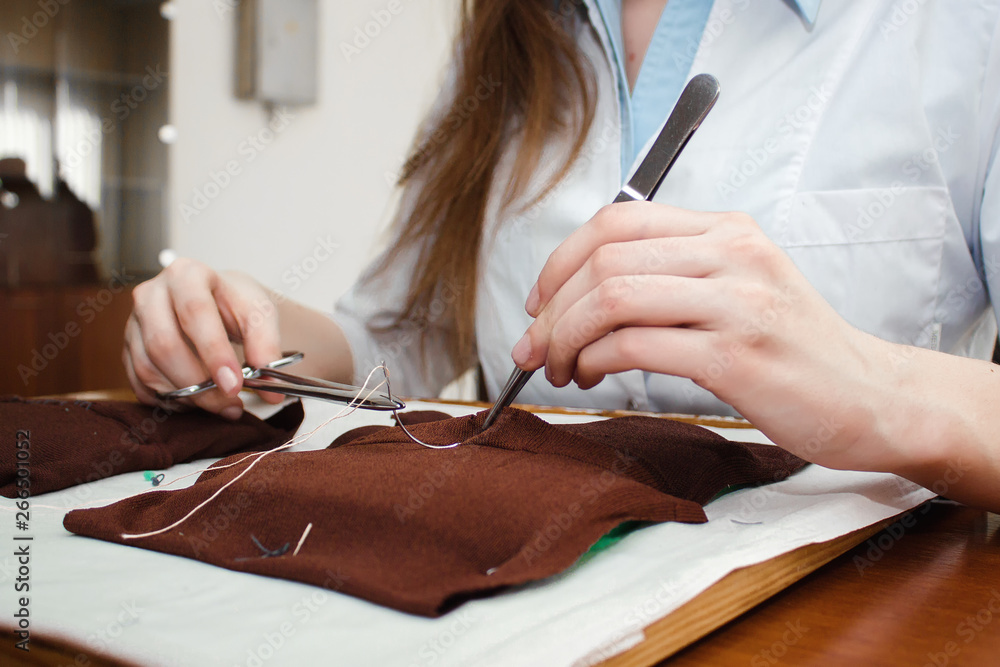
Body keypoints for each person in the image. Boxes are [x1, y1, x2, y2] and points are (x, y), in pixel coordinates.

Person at [124, 0, 1000, 511]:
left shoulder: (954, 28)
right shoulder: (507, 39)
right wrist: (242, 331)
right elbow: (397, 340)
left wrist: (876, 388)